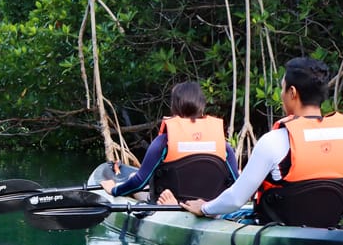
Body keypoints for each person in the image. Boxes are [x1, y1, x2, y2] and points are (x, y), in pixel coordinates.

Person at [164, 57, 343, 227]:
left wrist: (204, 208)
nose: (281, 95)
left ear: (292, 93)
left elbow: (237, 199)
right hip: (331, 233)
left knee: (222, 213)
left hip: (278, 232)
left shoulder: (274, 141)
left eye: (282, 89)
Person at [100, 81, 239, 202]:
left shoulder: (163, 142)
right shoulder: (224, 145)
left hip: (170, 204)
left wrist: (114, 190)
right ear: (201, 106)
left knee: (132, 177)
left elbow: (138, 183)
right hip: (208, 205)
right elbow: (236, 183)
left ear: (174, 106)